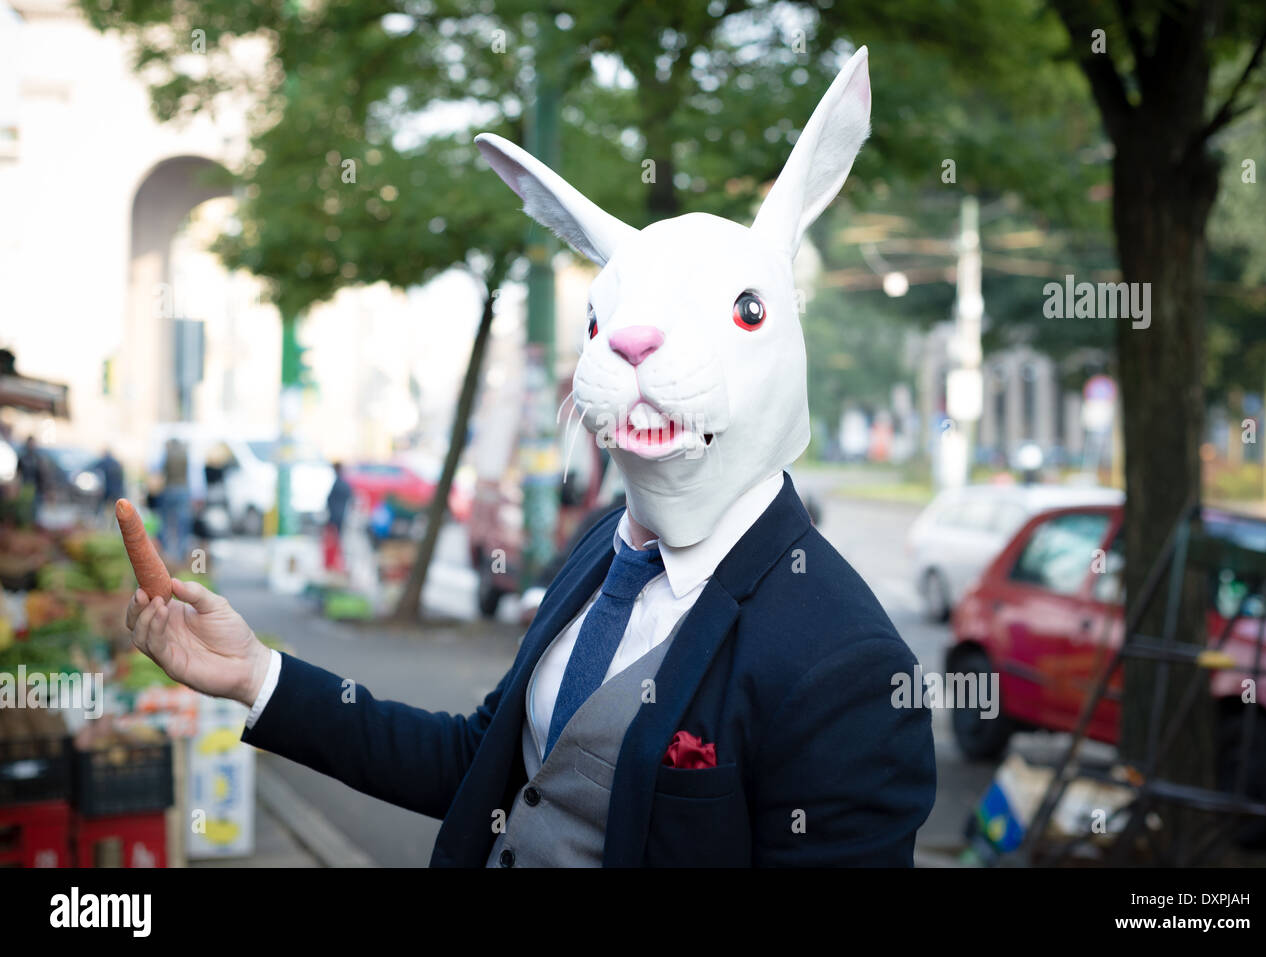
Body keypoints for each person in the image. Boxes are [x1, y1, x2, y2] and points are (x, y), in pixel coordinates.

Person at [124, 49, 936, 867]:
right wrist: (257, 675)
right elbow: (483, 762)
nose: (631, 346)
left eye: (744, 312)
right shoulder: (602, 547)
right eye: (602, 323)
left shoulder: (848, 664)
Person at [157, 437, 191, 562]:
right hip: (182, 489)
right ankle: (181, 552)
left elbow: (162, 470)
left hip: (170, 489)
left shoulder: (168, 455)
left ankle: (165, 551)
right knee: (182, 523)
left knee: (165, 522)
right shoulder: (184, 454)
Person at [323, 461, 352, 573]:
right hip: (341, 515)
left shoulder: (338, 483)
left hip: (335, 516)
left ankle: (335, 564)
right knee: (338, 541)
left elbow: (329, 500)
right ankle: (337, 564)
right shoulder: (344, 483)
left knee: (334, 542)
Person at [92, 447, 125, 514]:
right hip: (117, 490)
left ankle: (100, 519)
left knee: (102, 509)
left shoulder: (103, 462)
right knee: (115, 510)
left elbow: (94, 470)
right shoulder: (116, 463)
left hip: (106, 490)